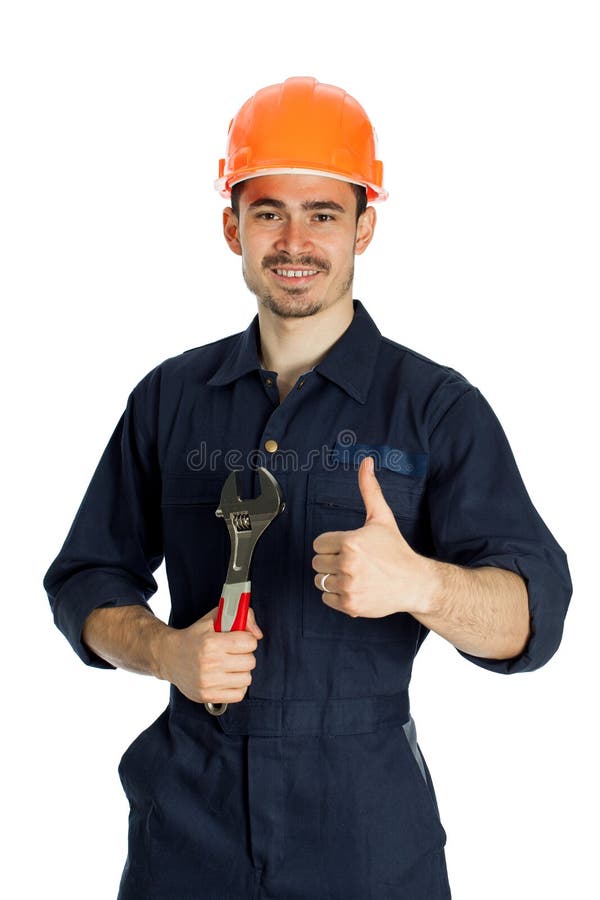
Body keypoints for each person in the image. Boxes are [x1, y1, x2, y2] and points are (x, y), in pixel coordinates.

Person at [43, 76, 572, 899]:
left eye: (323, 213)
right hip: (186, 830)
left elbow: (532, 618)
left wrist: (421, 583)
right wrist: (166, 652)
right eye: (268, 212)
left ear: (364, 226)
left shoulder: (437, 408)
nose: (295, 240)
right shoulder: (167, 399)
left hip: (364, 839)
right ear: (232, 228)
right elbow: (84, 581)